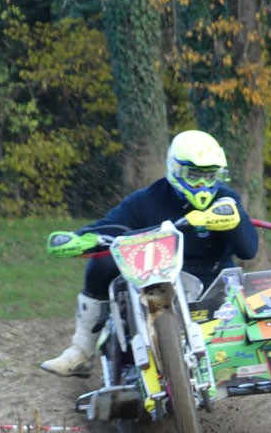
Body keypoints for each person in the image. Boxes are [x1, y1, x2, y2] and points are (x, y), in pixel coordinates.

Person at [40, 130, 259, 377]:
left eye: (209, 176)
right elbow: (111, 226)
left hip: (215, 285)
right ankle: (81, 351)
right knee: (103, 263)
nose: (201, 184)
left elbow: (248, 250)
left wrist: (234, 222)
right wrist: (80, 238)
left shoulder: (226, 198)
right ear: (176, 170)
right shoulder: (148, 200)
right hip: (160, 278)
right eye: (194, 175)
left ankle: (245, 354)